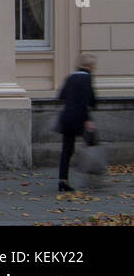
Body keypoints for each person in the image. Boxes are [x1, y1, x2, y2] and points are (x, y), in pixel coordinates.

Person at [56, 53, 96, 192]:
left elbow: (61, 96)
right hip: (81, 118)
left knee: (66, 150)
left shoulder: (71, 77)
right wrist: (87, 120)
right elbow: (89, 100)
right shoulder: (87, 78)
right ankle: (93, 179)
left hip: (67, 118)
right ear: (90, 66)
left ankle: (63, 180)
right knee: (92, 145)